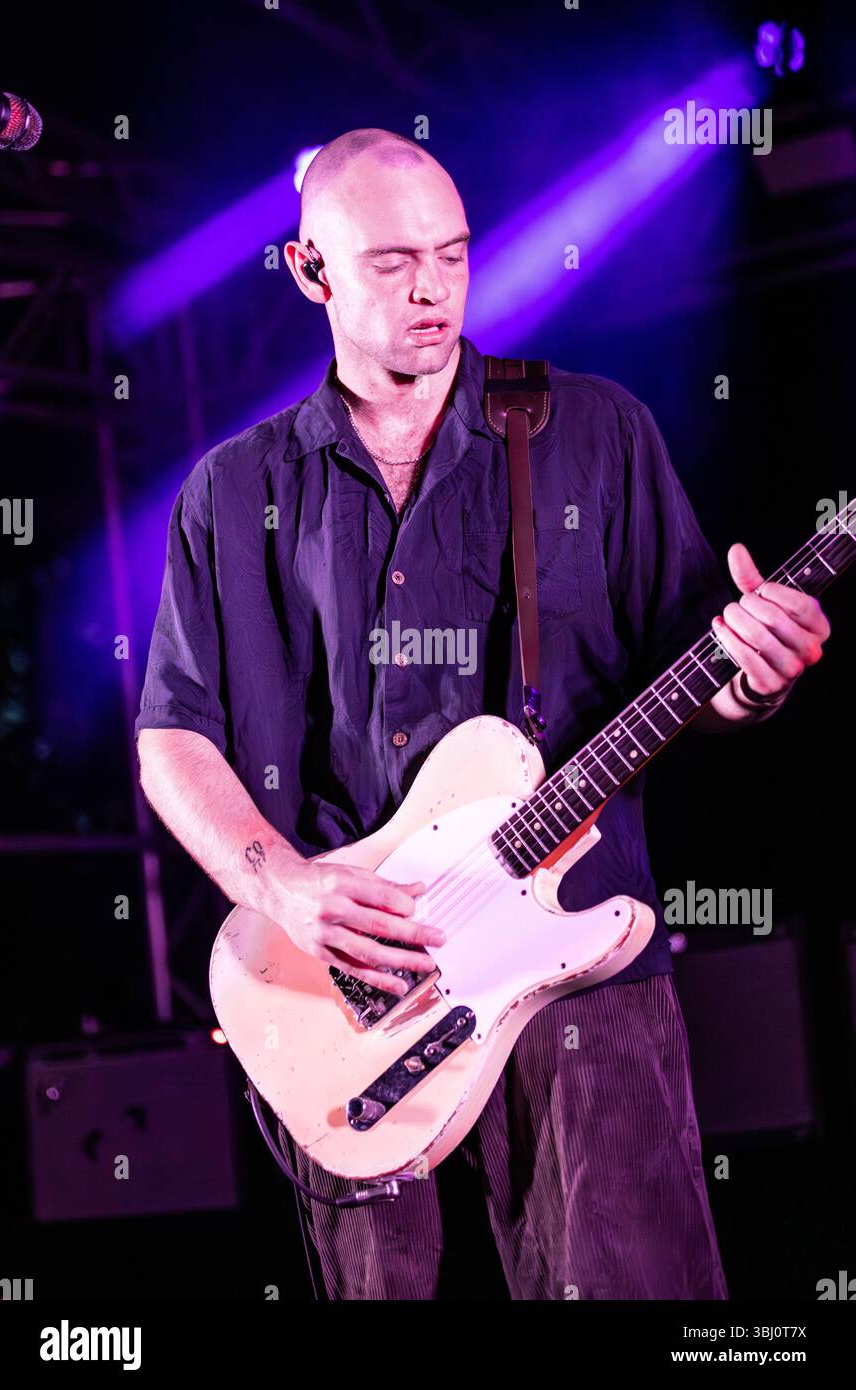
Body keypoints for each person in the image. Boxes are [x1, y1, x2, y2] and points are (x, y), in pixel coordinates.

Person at [135, 128, 831, 1300]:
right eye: (392, 261)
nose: (431, 288)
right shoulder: (233, 490)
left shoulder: (592, 431)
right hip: (356, 993)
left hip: (582, 980)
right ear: (310, 273)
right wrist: (283, 887)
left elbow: (693, 664)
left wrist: (752, 677)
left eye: (451, 255)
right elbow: (171, 735)